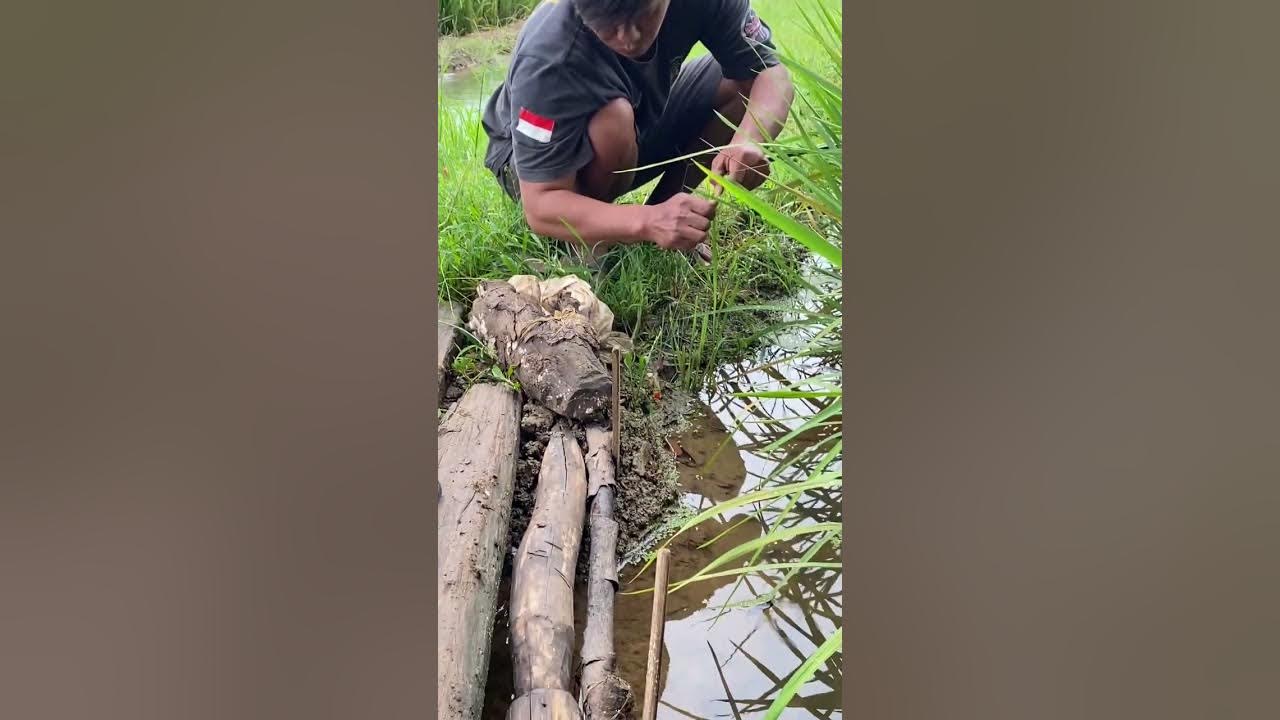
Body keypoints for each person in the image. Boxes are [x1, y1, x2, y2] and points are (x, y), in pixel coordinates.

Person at [481, 0, 794, 259]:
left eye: (643, 15)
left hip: (638, 116)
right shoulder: (548, 55)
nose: (628, 38)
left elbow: (770, 73)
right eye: (608, 24)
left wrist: (748, 140)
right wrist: (645, 222)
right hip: (534, 164)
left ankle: (674, 215)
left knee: (736, 80)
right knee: (612, 119)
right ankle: (589, 243)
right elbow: (541, 204)